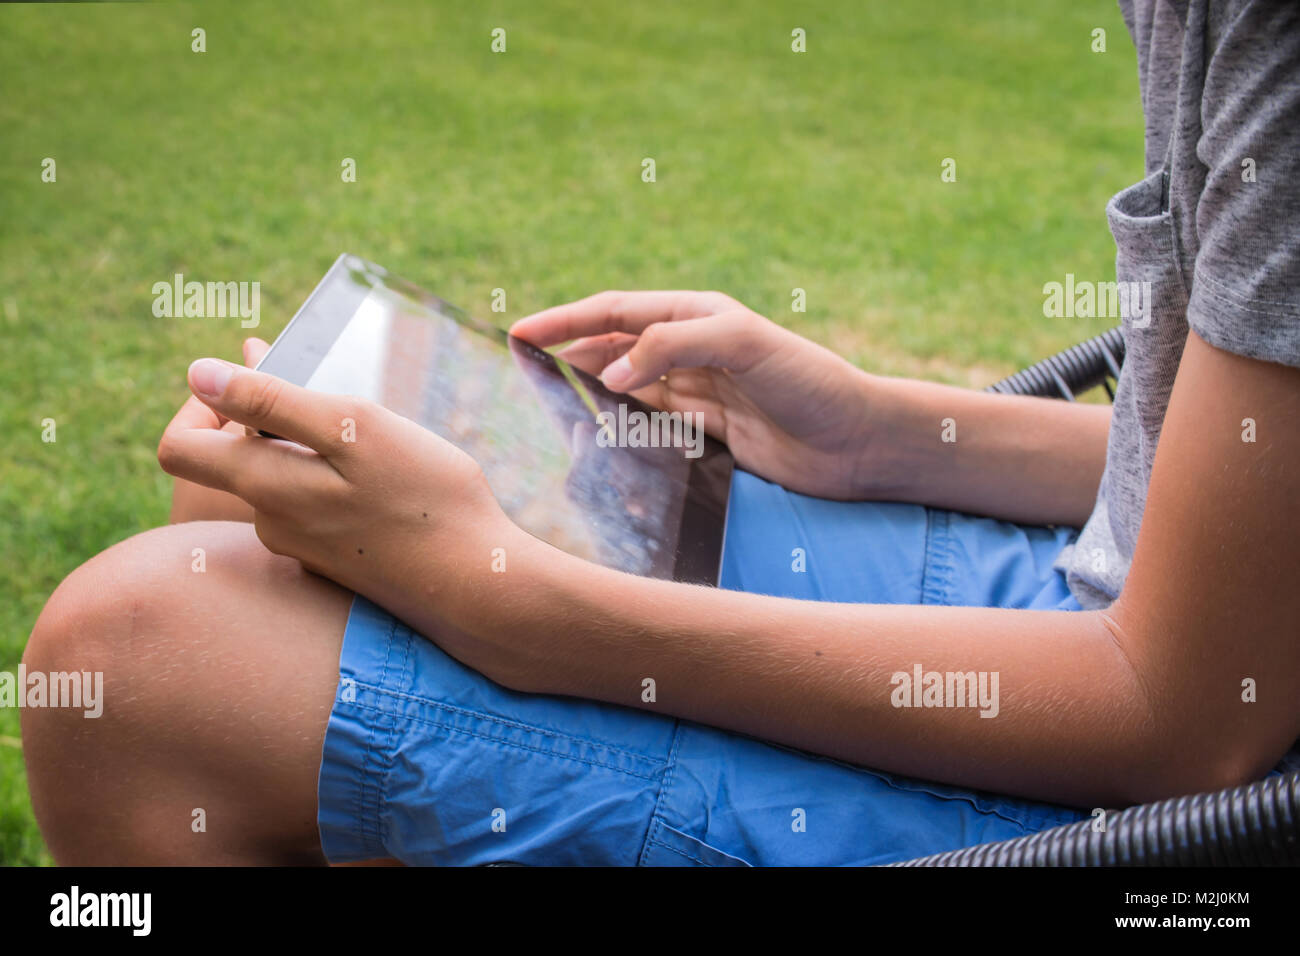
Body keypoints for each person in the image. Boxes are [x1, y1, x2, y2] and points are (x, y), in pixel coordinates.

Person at [21, 0, 1300, 865]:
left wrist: (527, 610)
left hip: (1176, 800)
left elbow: (1191, 722)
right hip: (1112, 603)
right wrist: (873, 431)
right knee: (247, 502)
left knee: (136, 659)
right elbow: (1217, 477)